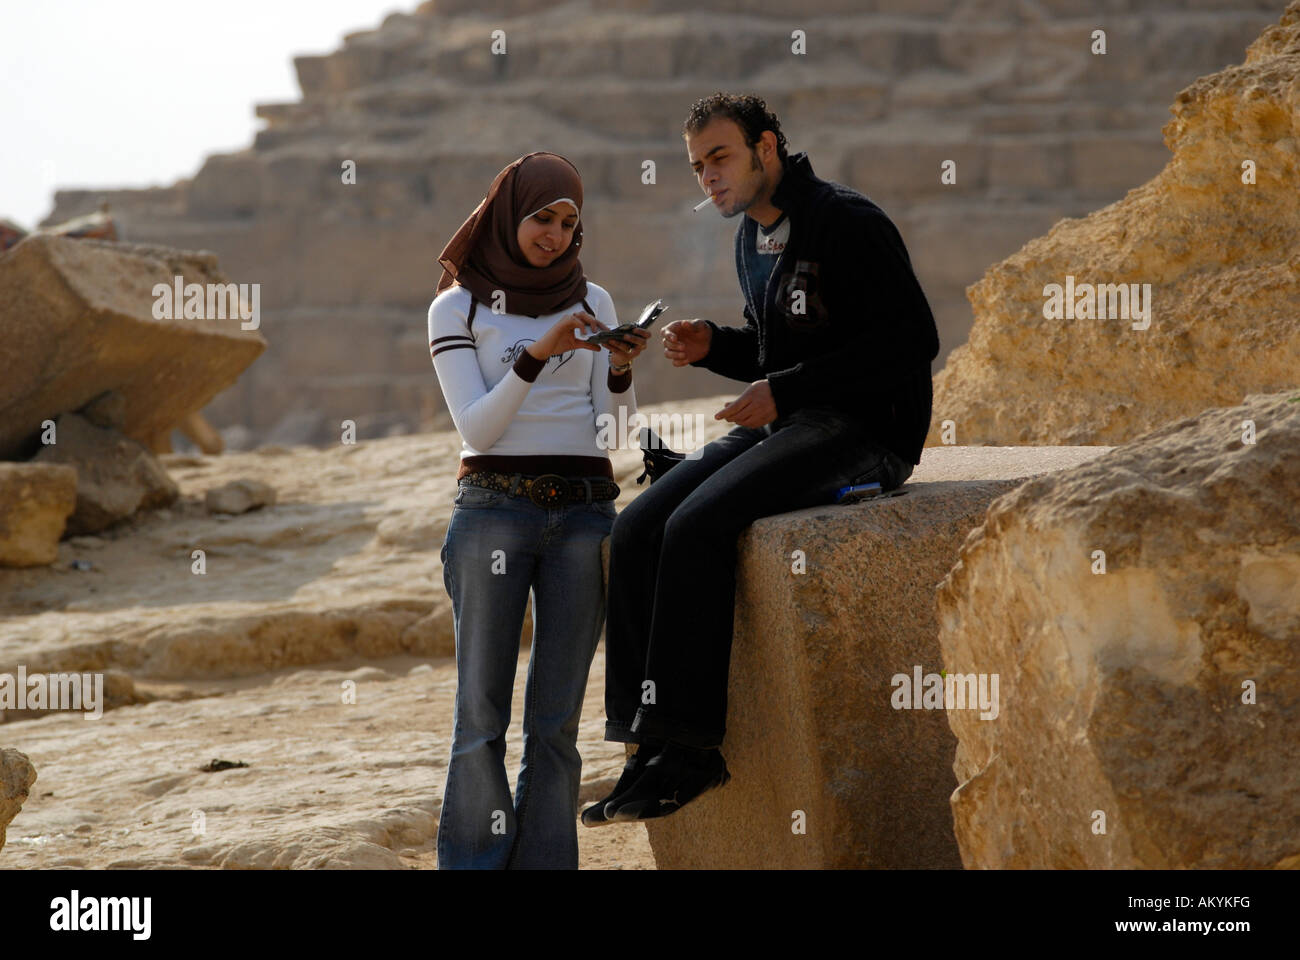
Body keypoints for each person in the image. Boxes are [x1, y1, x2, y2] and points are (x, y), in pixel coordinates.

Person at [584, 93, 940, 825]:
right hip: (798, 419)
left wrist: (787, 390)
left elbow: (910, 343)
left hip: (869, 431)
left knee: (699, 525)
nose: (707, 177)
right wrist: (716, 346)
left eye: (720, 157)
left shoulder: (848, 222)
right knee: (637, 529)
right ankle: (644, 744)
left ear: (766, 148)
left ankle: (692, 752)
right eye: (696, 166)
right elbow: (777, 353)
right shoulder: (752, 237)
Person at [428, 152, 648, 868]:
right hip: (494, 509)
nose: (555, 235)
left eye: (568, 223)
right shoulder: (455, 306)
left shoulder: (595, 299)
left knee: (555, 724)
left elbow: (612, 434)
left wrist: (619, 368)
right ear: (506, 213)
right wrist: (536, 355)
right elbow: (478, 430)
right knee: (480, 715)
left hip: (585, 516)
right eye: (541, 218)